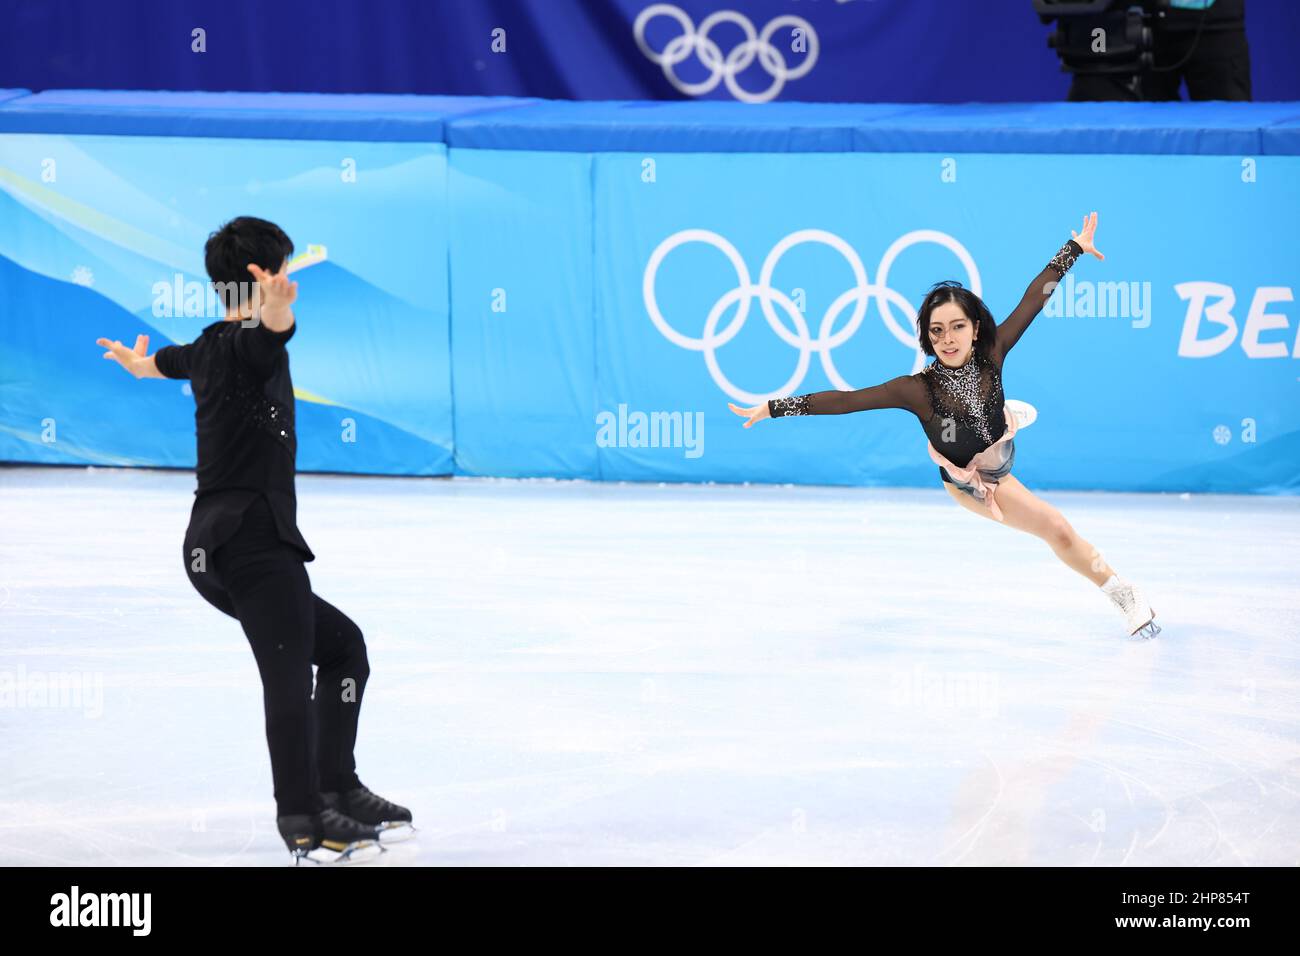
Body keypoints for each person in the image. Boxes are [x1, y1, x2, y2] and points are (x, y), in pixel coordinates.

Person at [95, 216, 413, 863]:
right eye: (282, 271)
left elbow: (167, 362)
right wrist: (273, 313)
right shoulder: (246, 343)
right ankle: (305, 819)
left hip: (213, 547)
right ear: (259, 278)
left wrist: (138, 364)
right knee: (289, 677)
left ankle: (339, 788)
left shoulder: (209, 345)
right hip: (253, 543)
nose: (288, 282)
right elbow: (268, 338)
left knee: (345, 650)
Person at [729, 212, 1160, 640]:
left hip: (998, 453)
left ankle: (1117, 586)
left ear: (975, 329)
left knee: (1047, 512)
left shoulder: (993, 352)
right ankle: (1119, 589)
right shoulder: (916, 390)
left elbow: (1035, 298)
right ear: (927, 338)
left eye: (957, 327)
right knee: (1056, 527)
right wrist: (774, 406)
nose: (948, 338)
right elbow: (846, 400)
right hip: (970, 481)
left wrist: (1074, 250)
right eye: (937, 331)